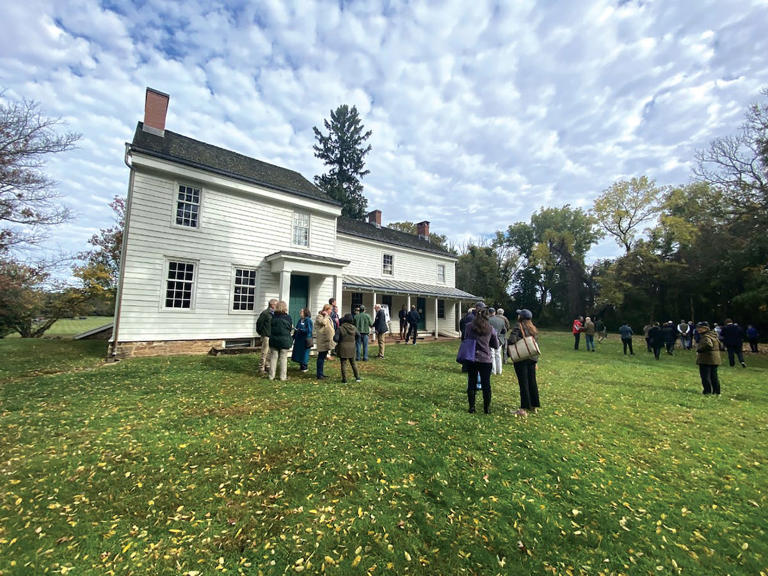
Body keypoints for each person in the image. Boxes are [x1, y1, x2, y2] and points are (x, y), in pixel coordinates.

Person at [463, 303, 499, 414]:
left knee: (471, 383)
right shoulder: (490, 328)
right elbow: (496, 345)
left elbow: (465, 338)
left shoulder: (469, 326)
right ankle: (486, 408)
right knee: (486, 384)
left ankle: (472, 407)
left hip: (472, 358)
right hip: (485, 359)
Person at [508, 308, 540, 416]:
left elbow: (512, 340)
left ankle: (523, 409)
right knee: (532, 382)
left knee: (524, 383)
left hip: (522, 358)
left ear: (520, 317)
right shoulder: (533, 328)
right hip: (532, 358)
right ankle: (534, 406)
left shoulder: (518, 326)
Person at [268, 301, 293, 381]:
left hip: (274, 339)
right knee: (283, 358)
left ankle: (271, 376)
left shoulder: (273, 317)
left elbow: (270, 328)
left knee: (273, 358)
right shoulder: (288, 317)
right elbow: (289, 328)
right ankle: (283, 377)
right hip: (284, 340)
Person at [696, 321, 721, 395]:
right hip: (715, 359)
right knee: (714, 376)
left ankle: (707, 391)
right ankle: (716, 392)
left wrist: (700, 350)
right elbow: (720, 345)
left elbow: (708, 345)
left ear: (705, 328)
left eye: (700, 328)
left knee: (705, 376)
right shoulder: (714, 335)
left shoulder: (706, 336)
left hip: (706, 359)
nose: (698, 329)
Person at [336, 314, 361, 383]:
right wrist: (354, 340)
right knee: (353, 363)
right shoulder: (354, 328)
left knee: (343, 364)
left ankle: (344, 379)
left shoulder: (340, 328)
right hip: (352, 347)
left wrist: (340, 340)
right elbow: (359, 335)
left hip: (343, 347)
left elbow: (335, 339)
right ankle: (357, 377)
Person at [256, 298, 277, 375]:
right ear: (272, 305)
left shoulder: (275, 313)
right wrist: (261, 332)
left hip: (272, 335)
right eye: (276, 304)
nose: (277, 306)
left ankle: (267, 365)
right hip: (266, 335)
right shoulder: (265, 313)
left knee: (270, 352)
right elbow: (259, 323)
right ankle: (261, 367)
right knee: (264, 352)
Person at [314, 304, 335, 380]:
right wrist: (325, 316)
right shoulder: (320, 316)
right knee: (321, 357)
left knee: (323, 357)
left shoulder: (328, 317)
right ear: (326, 310)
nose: (331, 311)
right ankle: (319, 374)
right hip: (322, 340)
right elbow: (323, 323)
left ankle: (321, 373)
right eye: (330, 310)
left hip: (327, 339)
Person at [290, 307, 313, 372]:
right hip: (299, 340)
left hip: (305, 340)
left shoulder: (308, 320)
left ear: (305, 312)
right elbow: (297, 328)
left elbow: (309, 330)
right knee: (299, 353)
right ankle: (301, 365)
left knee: (304, 353)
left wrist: (301, 330)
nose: (300, 313)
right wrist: (294, 336)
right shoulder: (300, 320)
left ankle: (304, 367)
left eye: (301, 312)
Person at [488, 307, 506, 374]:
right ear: (494, 312)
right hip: (499, 339)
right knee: (498, 354)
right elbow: (504, 330)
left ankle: (493, 371)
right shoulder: (501, 320)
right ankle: (499, 370)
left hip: (491, 339)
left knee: (492, 355)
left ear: (489, 313)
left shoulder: (488, 320)